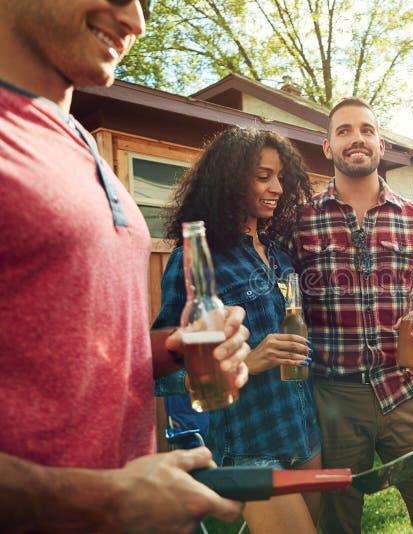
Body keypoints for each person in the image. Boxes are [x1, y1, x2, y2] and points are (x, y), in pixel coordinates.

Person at [0, 1, 251, 531]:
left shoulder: (79, 143)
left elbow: (74, 353)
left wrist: (174, 350)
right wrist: (101, 501)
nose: (136, 22)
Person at [284, 98, 413, 533]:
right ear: (327, 147)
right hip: (332, 398)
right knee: (336, 524)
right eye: (344, 131)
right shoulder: (300, 219)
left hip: (404, 390)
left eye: (366, 130)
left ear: (380, 144)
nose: (356, 138)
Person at [153, 127, 322, 534]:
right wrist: (248, 359)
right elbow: (165, 373)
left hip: (305, 434)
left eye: (281, 177)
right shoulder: (196, 259)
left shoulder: (281, 257)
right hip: (250, 446)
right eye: (263, 176)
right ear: (230, 180)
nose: (277, 187)